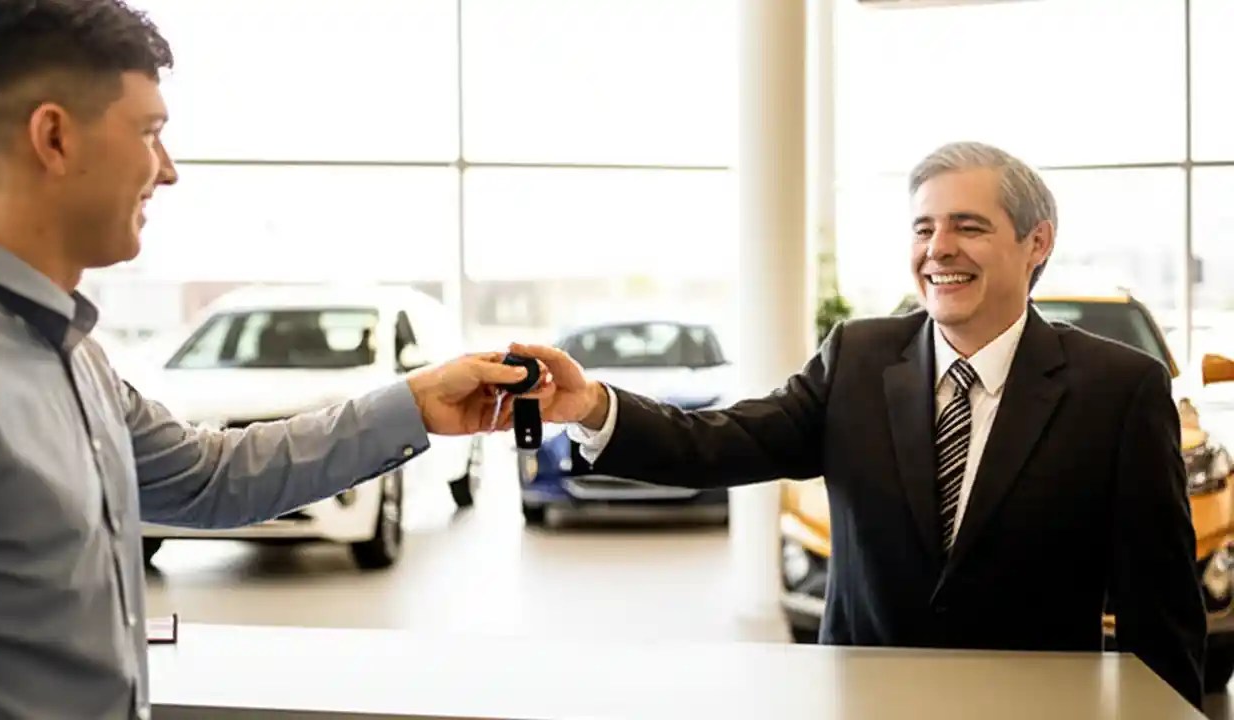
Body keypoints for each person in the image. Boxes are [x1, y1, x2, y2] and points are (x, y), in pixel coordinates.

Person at [0, 2, 529, 718]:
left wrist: (415, 404)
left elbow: (207, 477)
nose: (167, 171)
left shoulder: (74, 355)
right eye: (149, 133)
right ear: (55, 137)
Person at [512, 140, 1208, 707]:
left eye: (969, 226)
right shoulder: (856, 357)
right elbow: (722, 441)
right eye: (924, 228)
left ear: (1037, 243)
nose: (939, 248)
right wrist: (590, 405)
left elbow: (1162, 606)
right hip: (866, 708)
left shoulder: (1119, 389)